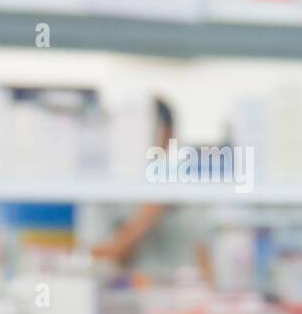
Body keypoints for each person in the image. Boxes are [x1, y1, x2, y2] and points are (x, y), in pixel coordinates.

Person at [86, 99, 212, 279]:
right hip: (125, 298)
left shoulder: (186, 189)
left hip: (181, 299)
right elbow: (102, 258)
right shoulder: (104, 190)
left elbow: (204, 258)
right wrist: (146, 217)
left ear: (169, 135)